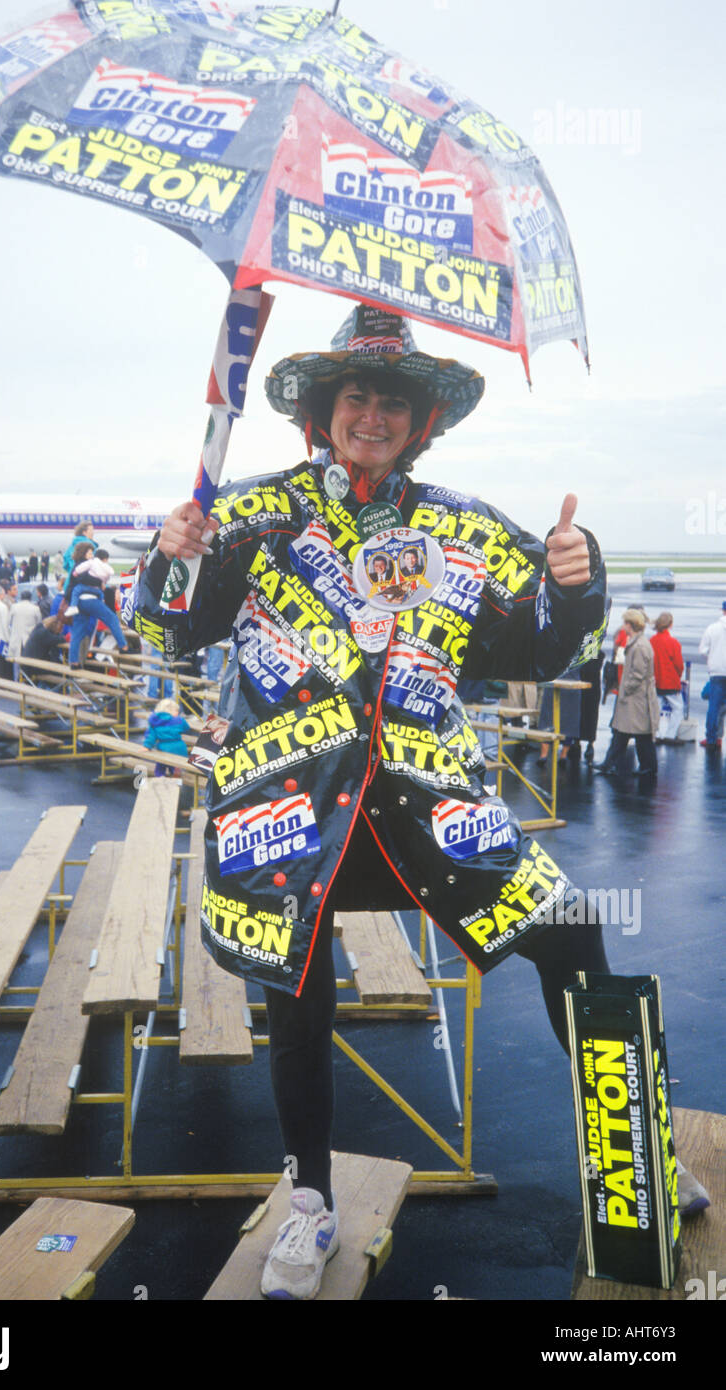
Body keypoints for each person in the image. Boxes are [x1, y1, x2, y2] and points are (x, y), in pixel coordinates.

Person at [138, 304, 671, 1297]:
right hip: (293, 814)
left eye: (393, 398)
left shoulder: (467, 527)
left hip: (435, 810)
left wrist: (577, 583)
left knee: (573, 934)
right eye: (356, 395)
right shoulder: (252, 511)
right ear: (322, 412)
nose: (373, 414)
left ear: (422, 419)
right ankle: (307, 1203)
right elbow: (174, 626)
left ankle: (631, 1156)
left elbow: (537, 647)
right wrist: (174, 551)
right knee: (296, 990)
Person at [605, 609, 659, 780]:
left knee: (637, 734)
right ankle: (611, 763)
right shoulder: (638, 643)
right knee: (626, 733)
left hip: (635, 698)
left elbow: (638, 673)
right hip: (634, 698)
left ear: (630, 625)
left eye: (625, 623)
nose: (622, 626)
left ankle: (647, 767)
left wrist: (626, 689)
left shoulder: (640, 646)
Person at [64, 547, 127, 664]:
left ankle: (73, 662)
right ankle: (123, 646)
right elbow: (84, 579)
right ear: (83, 553)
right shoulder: (87, 565)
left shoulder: (80, 565)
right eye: (89, 552)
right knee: (112, 618)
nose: (91, 555)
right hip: (89, 600)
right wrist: (100, 583)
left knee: (77, 633)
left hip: (79, 602)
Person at [650, 612, 685, 744]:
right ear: (670, 625)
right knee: (678, 708)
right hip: (670, 681)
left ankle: (657, 734)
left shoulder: (651, 641)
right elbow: (679, 665)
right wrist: (678, 676)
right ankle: (670, 734)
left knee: (656, 708)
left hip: (655, 680)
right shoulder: (673, 642)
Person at [699, 599, 726, 749]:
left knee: (714, 707)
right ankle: (719, 736)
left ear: (723, 610)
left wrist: (713, 657)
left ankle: (711, 738)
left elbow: (703, 650)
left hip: (717, 672)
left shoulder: (712, 628)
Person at [142, 697, 191, 774]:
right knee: (176, 770)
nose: (178, 713)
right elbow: (186, 728)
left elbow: (151, 736)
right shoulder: (179, 720)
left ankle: (160, 780)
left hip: (163, 748)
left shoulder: (155, 722)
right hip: (179, 748)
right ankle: (177, 783)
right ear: (172, 711)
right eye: (177, 711)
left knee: (160, 768)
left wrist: (147, 746)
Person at [8, 588, 42, 672]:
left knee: (15, 660)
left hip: (13, 638)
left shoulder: (14, 607)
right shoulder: (35, 608)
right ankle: (25, 679)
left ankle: (15, 680)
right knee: (28, 661)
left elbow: (8, 622)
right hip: (29, 638)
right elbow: (39, 623)